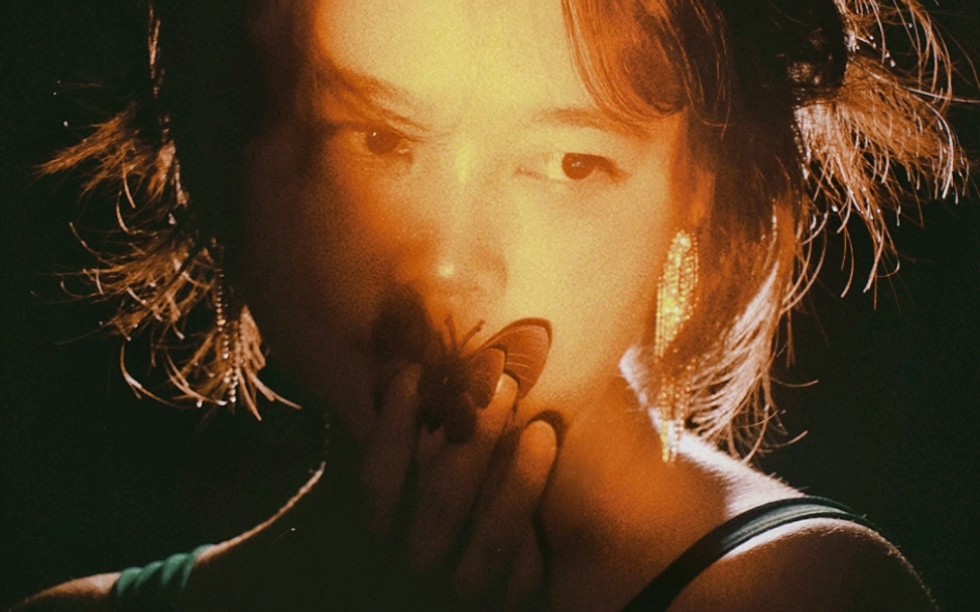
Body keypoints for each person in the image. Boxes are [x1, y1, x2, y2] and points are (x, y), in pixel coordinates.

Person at [12, 0, 969, 610]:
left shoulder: (795, 592)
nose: (450, 268)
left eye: (571, 163)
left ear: (702, 189)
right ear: (233, 150)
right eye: (379, 141)